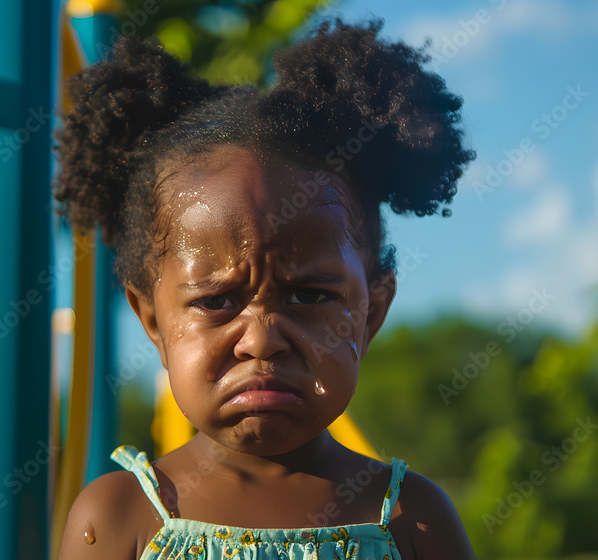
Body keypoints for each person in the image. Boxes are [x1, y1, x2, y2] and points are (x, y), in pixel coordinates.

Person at [55, 15, 477, 560]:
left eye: (308, 295)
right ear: (153, 320)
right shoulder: (118, 516)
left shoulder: (410, 518)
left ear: (371, 312)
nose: (261, 341)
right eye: (215, 301)